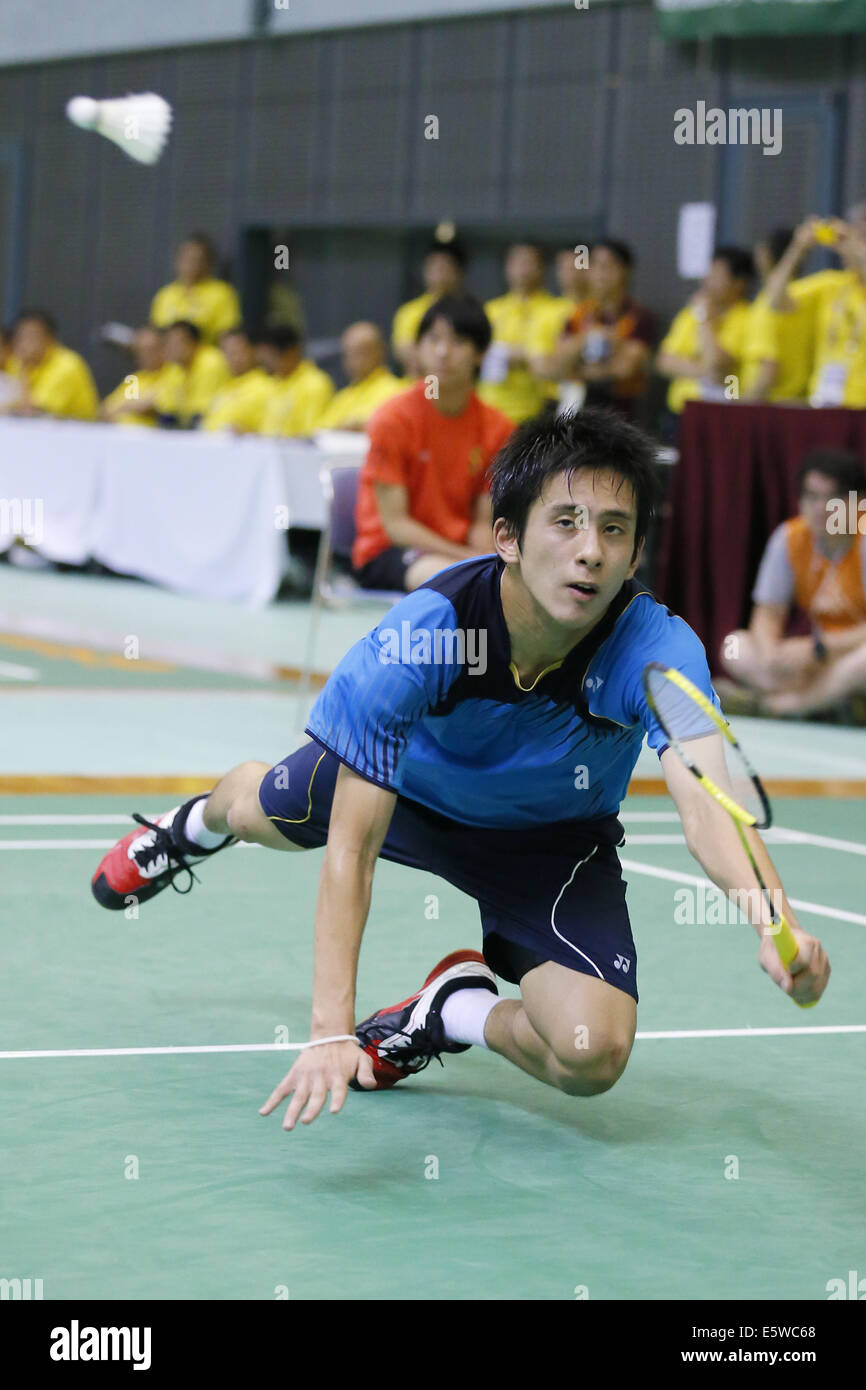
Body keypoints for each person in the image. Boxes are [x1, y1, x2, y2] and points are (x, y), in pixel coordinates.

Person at [90, 408, 830, 1133]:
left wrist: (775, 923)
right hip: (405, 787)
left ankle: (451, 1011)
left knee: (593, 1053)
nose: (591, 552)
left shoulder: (657, 649)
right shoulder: (424, 635)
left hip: (547, 837)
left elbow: (708, 805)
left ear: (636, 554)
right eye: (565, 522)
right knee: (257, 811)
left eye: (614, 530)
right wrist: (327, 1028)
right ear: (506, 536)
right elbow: (352, 849)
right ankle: (192, 826)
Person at [351, 294, 512, 592]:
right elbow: (396, 525)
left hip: (459, 551)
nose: (442, 351)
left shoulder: (498, 428)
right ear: (418, 349)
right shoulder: (392, 419)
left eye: (458, 341)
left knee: (498, 582)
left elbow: (483, 517)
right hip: (391, 550)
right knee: (459, 583)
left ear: (480, 354)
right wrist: (467, 560)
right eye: (433, 339)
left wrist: (485, 559)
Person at [717, 448, 866, 718]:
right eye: (811, 497)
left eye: (833, 498)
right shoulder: (790, 537)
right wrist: (771, 655)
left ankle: (779, 706)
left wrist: (820, 648)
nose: (821, 508)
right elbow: (767, 614)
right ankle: (830, 703)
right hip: (816, 662)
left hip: (848, 654)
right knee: (734, 646)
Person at [536, 239, 654, 418]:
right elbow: (558, 364)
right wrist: (588, 337)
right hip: (580, 407)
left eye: (608, 266)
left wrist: (577, 368)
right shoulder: (579, 314)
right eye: (595, 265)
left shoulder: (639, 316)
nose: (601, 274)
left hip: (623, 410)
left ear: (625, 271)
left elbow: (625, 369)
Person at [762, 216, 866, 408]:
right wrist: (798, 249)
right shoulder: (833, 285)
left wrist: (854, 250)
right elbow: (775, 300)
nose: (852, 244)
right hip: (824, 404)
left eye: (862, 238)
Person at [656, 247, 754, 424]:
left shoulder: (747, 318)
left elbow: (717, 366)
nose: (707, 281)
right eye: (708, 273)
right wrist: (704, 370)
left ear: (739, 283)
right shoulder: (690, 314)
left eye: (717, 275)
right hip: (680, 413)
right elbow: (664, 362)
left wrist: (705, 320)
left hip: (723, 415)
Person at [478, 241, 565, 423]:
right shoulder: (490, 310)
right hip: (490, 407)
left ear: (542, 268)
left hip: (538, 412)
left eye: (529, 262)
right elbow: (477, 353)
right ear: (506, 267)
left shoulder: (559, 310)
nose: (523, 269)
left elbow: (557, 359)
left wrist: (510, 354)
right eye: (517, 262)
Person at [739, 229, 813, 403]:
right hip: (793, 403)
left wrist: (741, 406)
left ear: (764, 255)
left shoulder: (768, 306)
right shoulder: (804, 297)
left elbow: (768, 370)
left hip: (766, 405)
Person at [392, 237, 468, 377]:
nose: (438, 271)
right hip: (418, 385)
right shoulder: (409, 311)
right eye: (433, 266)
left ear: (458, 272)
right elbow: (404, 350)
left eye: (445, 266)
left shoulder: (469, 311)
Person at [2, 310, 98, 420]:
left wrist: (23, 368)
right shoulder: (15, 361)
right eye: (21, 337)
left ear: (51, 339)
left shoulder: (67, 365)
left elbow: (31, 412)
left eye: (33, 336)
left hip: (80, 432)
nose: (26, 343)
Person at [150, 234, 240, 344]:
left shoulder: (221, 292)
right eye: (186, 258)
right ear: (176, 261)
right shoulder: (165, 294)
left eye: (197, 259)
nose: (191, 264)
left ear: (207, 263)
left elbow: (227, 336)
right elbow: (156, 334)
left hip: (206, 358)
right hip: (169, 359)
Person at [317, 323, 407, 431]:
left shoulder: (399, 391)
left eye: (360, 353)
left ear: (380, 351)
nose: (353, 361)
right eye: (348, 354)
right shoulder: (342, 397)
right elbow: (321, 431)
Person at [257, 325, 335, 437]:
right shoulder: (272, 384)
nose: (266, 363)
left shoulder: (314, 384)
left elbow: (310, 435)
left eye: (271, 357)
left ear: (291, 353)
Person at [153, 320, 230, 428]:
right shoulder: (173, 368)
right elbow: (167, 412)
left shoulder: (211, 362)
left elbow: (200, 414)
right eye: (168, 342)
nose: (171, 348)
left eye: (177, 343)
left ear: (194, 343)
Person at [201, 327, 274, 434]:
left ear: (253, 350)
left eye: (238, 351)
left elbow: (271, 431)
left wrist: (249, 434)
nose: (234, 358)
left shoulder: (267, 387)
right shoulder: (223, 389)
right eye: (228, 353)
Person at [100, 326, 171, 427]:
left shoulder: (172, 374)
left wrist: (122, 407)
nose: (144, 356)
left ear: (164, 349)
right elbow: (106, 408)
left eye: (149, 350)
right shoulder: (135, 379)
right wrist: (127, 407)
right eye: (139, 351)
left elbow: (153, 402)